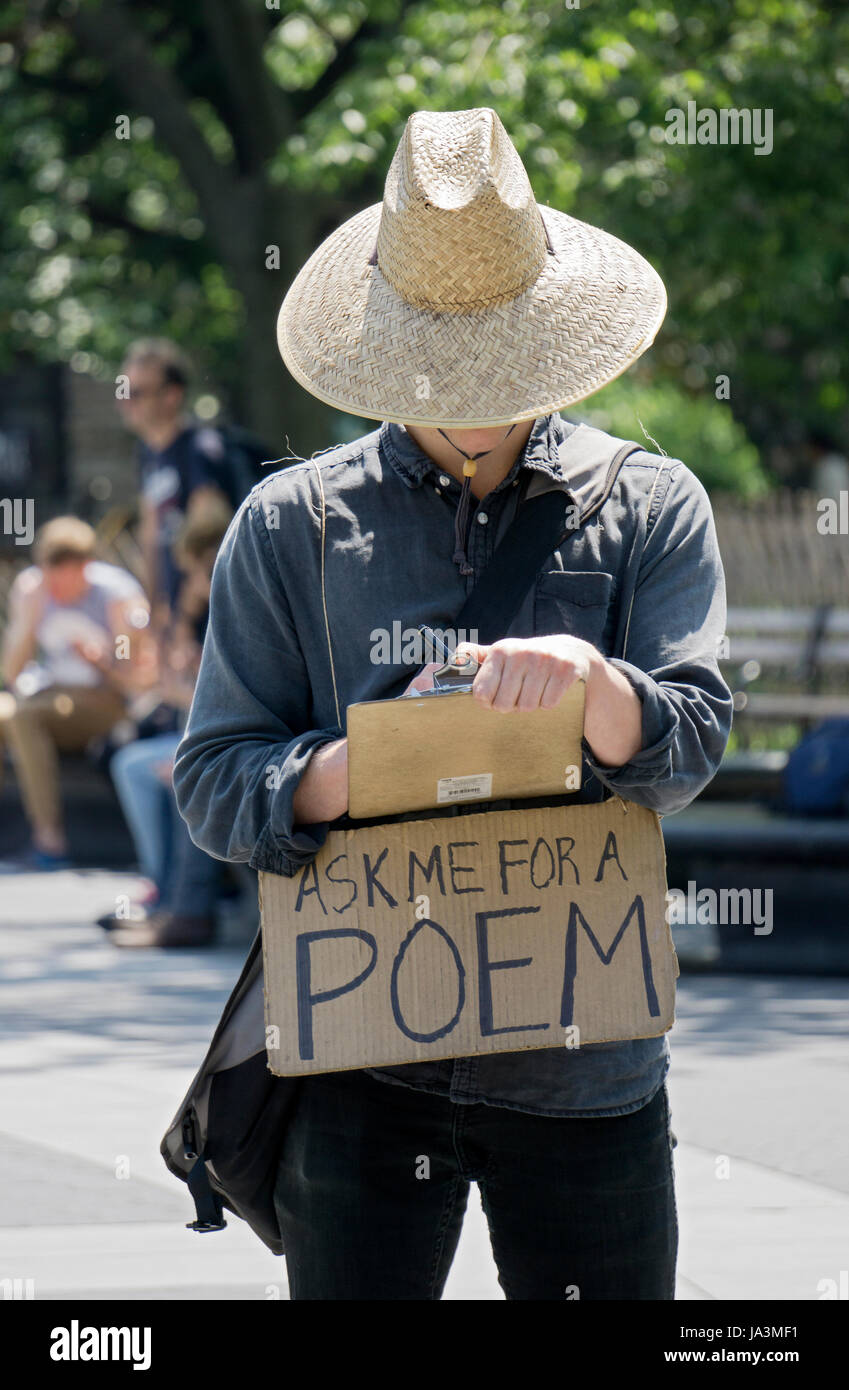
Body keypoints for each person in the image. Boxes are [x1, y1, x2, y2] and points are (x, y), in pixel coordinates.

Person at [173, 108, 733, 1299]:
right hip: (360, 1067)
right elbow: (214, 781)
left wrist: (596, 690)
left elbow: (690, 745)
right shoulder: (291, 524)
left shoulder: (654, 505)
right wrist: (365, 761)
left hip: (590, 1067)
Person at [103, 499, 233, 948]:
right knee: (132, 764)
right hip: (198, 733)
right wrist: (182, 620)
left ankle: (185, 910)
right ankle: (163, 896)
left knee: (187, 772)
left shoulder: (239, 604)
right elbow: (170, 684)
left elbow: (221, 701)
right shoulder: (200, 614)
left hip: (230, 739)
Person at [0, 516, 154, 867]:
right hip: (48, 692)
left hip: (104, 701)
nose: (55, 586)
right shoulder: (33, 589)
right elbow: (11, 673)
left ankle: (49, 840)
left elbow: (132, 674)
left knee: (23, 716)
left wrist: (104, 660)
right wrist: (28, 620)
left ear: (86, 566)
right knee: (7, 711)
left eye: (63, 575)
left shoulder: (117, 595)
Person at [116, 337, 246, 631]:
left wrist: (184, 625)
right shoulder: (147, 454)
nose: (125, 401)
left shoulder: (201, 449)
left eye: (136, 392)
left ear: (172, 395)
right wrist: (155, 619)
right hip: (176, 625)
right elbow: (150, 535)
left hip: (212, 622)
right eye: (121, 391)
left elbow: (210, 542)